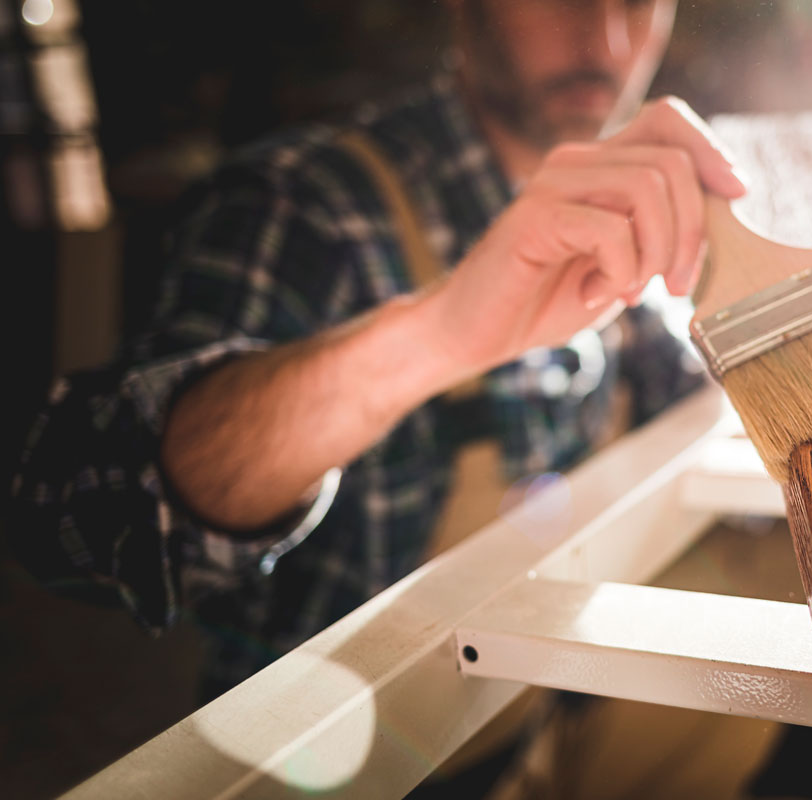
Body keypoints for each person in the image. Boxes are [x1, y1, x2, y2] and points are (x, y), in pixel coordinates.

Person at [11, 1, 745, 707]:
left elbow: (676, 399)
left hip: (546, 724)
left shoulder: (624, 203)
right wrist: (436, 335)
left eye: (638, 2)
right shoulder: (305, 204)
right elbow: (76, 514)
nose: (610, 45)